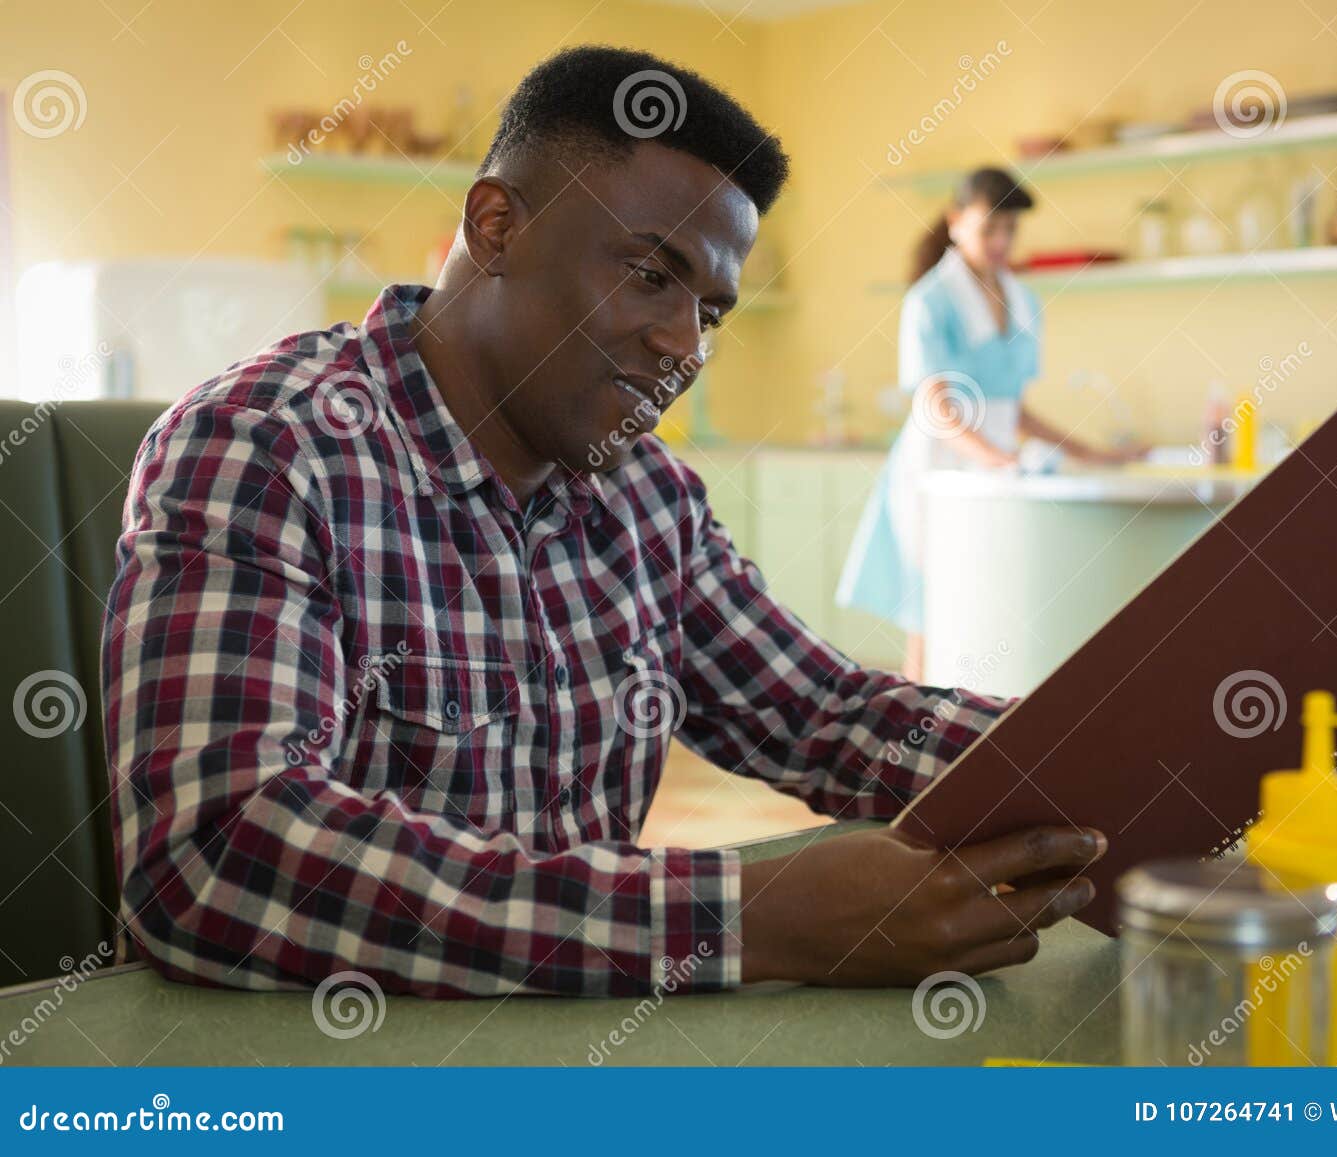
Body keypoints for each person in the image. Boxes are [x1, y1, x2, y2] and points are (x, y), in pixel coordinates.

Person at [101, 46, 1106, 999]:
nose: (683, 345)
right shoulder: (270, 448)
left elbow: (822, 714)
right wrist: (744, 919)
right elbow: (218, 854)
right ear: (496, 227)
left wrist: (1103, 757)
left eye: (710, 311)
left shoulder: (646, 495)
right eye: (650, 274)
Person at [836, 168, 1145, 682]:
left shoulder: (1023, 301)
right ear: (956, 222)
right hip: (939, 468)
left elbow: (1014, 410)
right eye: (989, 229)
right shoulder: (929, 302)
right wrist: (1003, 460)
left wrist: (1090, 452)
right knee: (933, 616)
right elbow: (937, 409)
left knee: (993, 607)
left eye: (1011, 230)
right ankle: (917, 744)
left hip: (999, 469)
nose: (1002, 242)